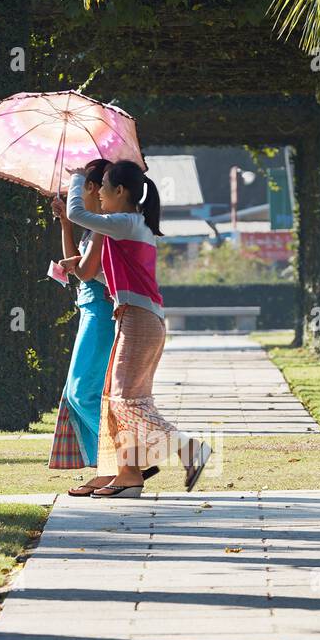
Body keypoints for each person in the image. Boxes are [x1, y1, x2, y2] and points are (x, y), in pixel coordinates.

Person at [65, 158, 212, 497]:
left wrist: (75, 179)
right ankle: (129, 476)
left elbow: (78, 215)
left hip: (139, 321)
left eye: (102, 188)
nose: (98, 194)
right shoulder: (129, 224)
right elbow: (95, 265)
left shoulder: (126, 222)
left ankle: (189, 449)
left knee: (126, 401)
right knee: (119, 400)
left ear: (120, 191)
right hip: (136, 318)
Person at [48, 159, 159, 495]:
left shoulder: (108, 224)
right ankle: (110, 468)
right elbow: (81, 268)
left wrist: (76, 180)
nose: (76, 193)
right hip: (93, 309)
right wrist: (66, 226)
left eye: (82, 188)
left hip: (102, 312)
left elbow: (84, 271)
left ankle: (129, 462)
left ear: (98, 189)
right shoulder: (102, 226)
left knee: (88, 393)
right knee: (78, 393)